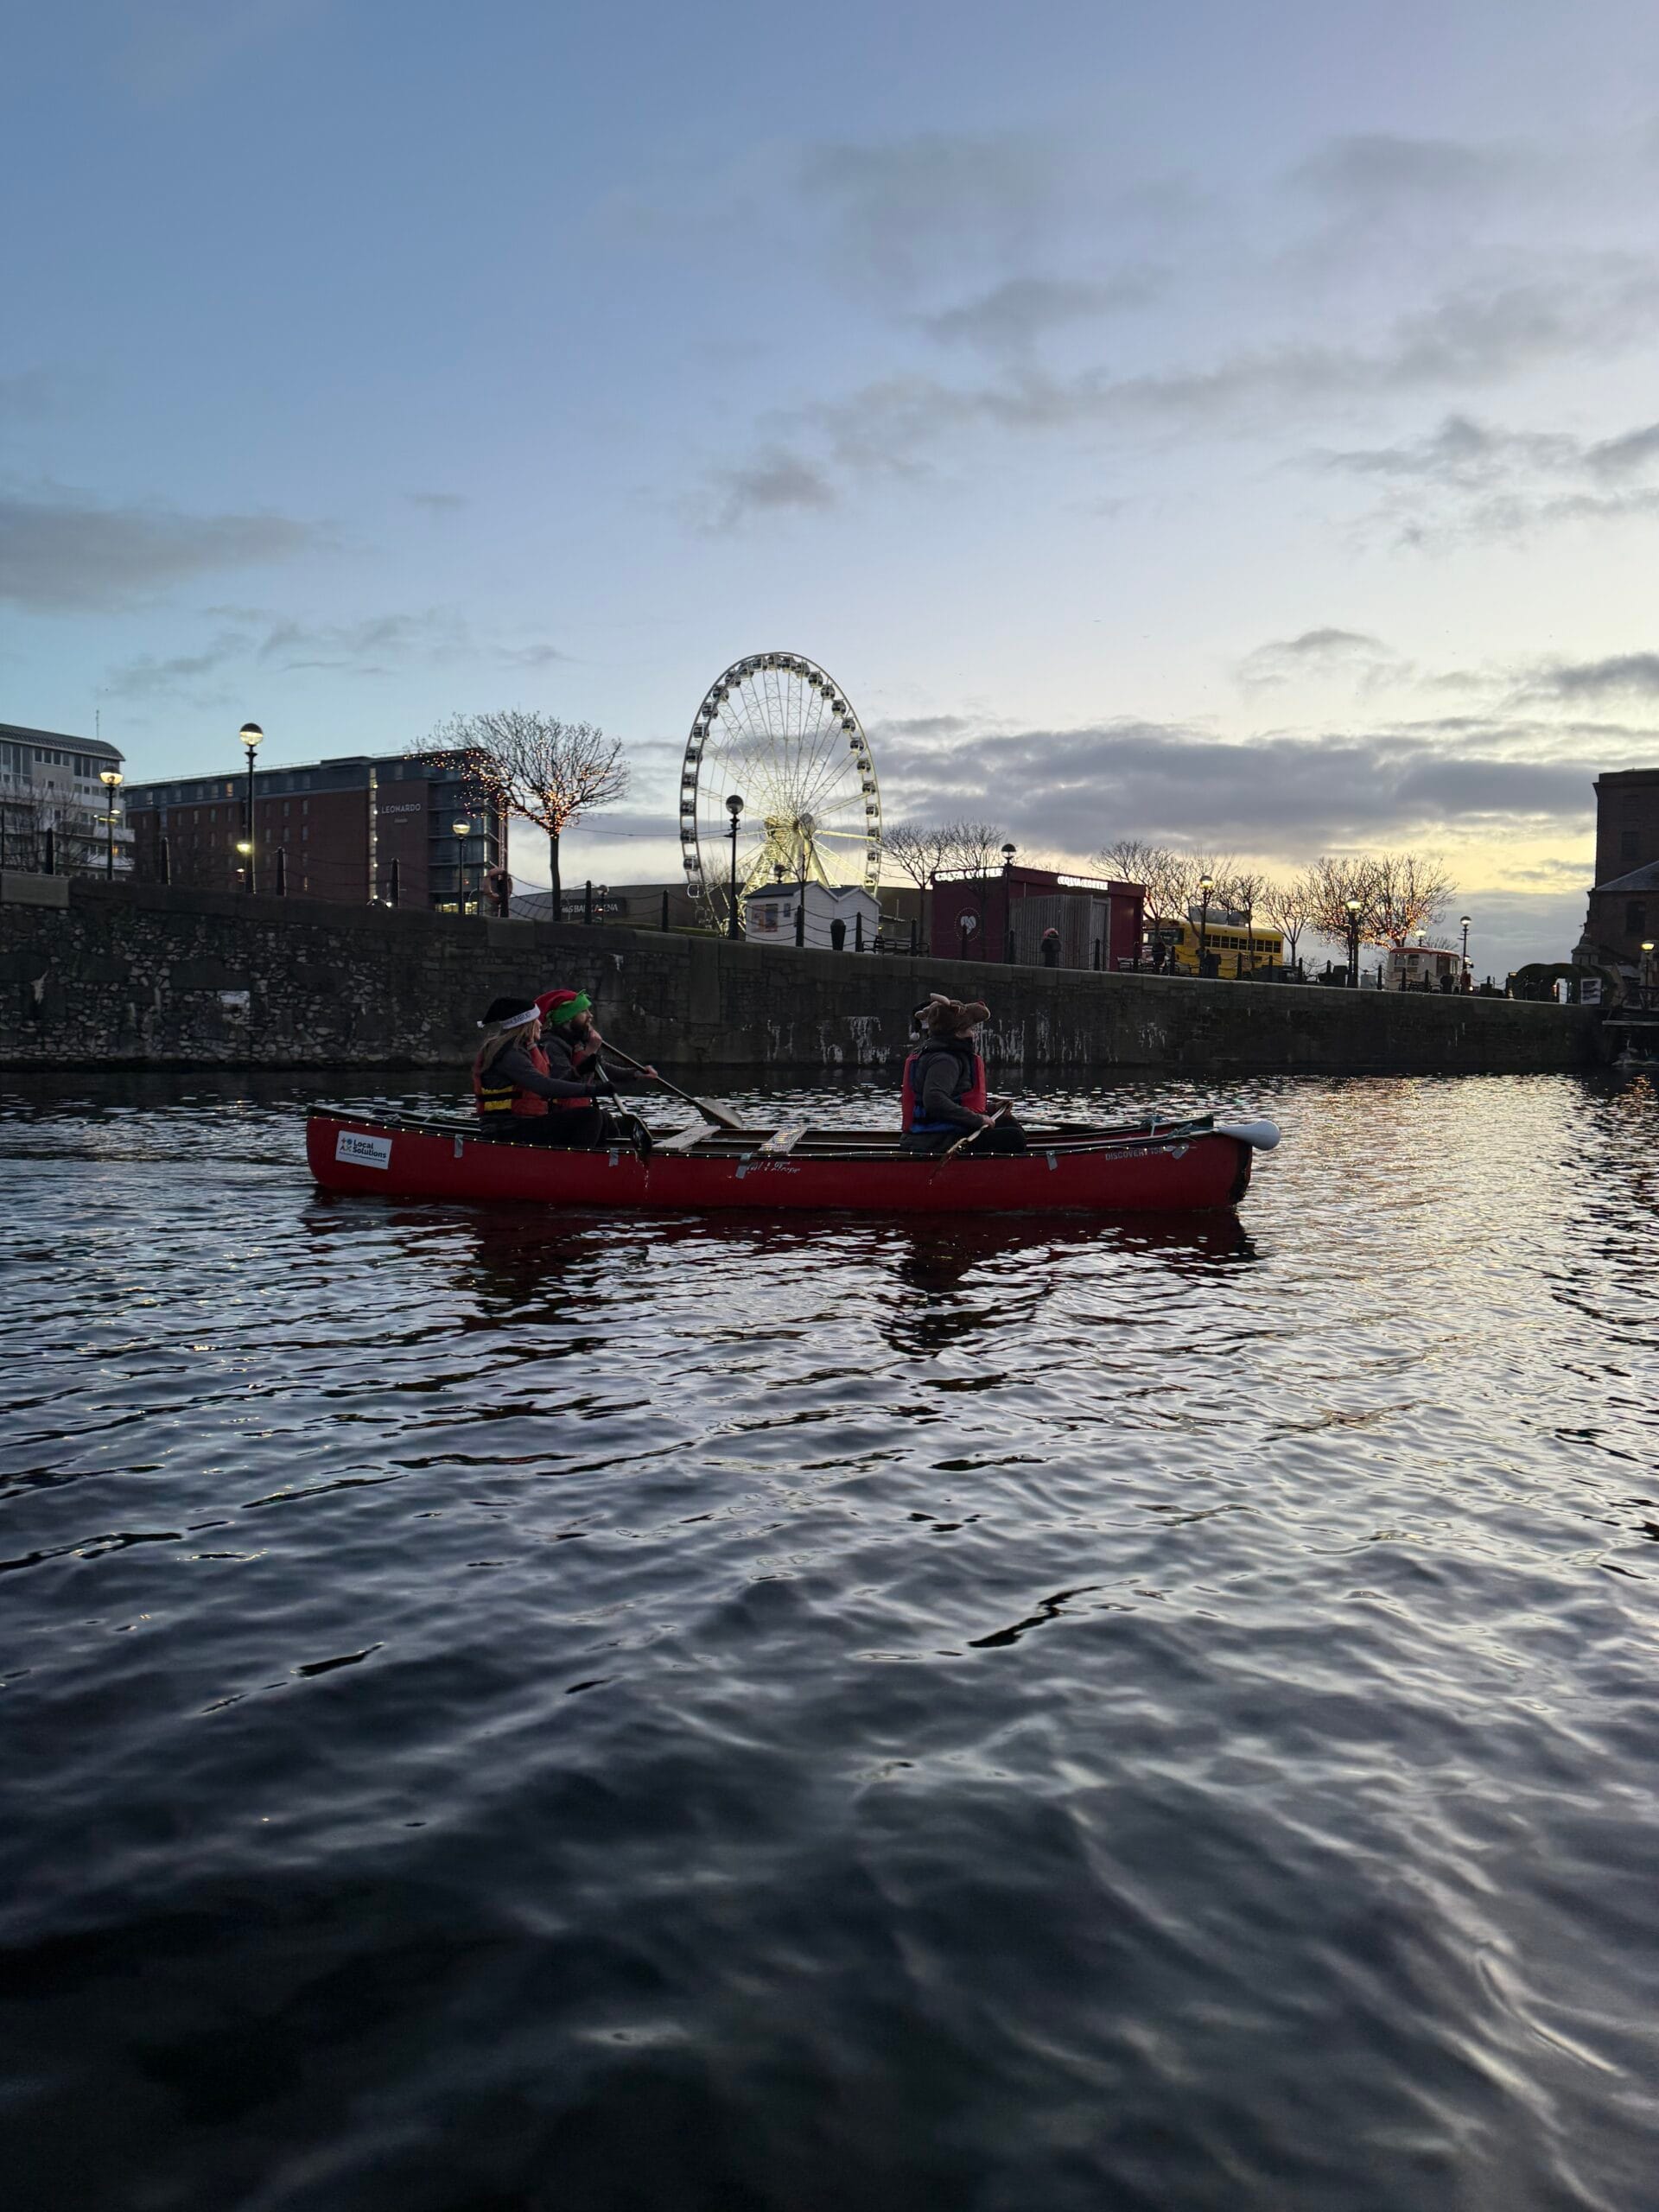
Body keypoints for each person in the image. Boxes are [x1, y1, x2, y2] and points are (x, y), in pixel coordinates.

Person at [471, 995, 648, 1148]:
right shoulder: (509, 1054)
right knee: (590, 1117)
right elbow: (544, 1086)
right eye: (537, 1020)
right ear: (526, 1024)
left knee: (601, 1117)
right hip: (507, 1128)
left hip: (526, 1123)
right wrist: (593, 1090)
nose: (541, 1024)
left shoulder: (527, 1048)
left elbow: (548, 1082)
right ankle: (576, 1168)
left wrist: (578, 1072)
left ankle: (606, 1161)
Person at [899, 995, 1027, 1154]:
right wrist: (978, 1120)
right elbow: (934, 1100)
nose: (973, 1034)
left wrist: (992, 1109)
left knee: (1006, 1121)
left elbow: (954, 1102)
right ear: (957, 1033)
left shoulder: (944, 1053)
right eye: (969, 1029)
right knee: (1013, 1137)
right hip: (934, 1141)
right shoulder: (945, 1060)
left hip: (937, 1136)